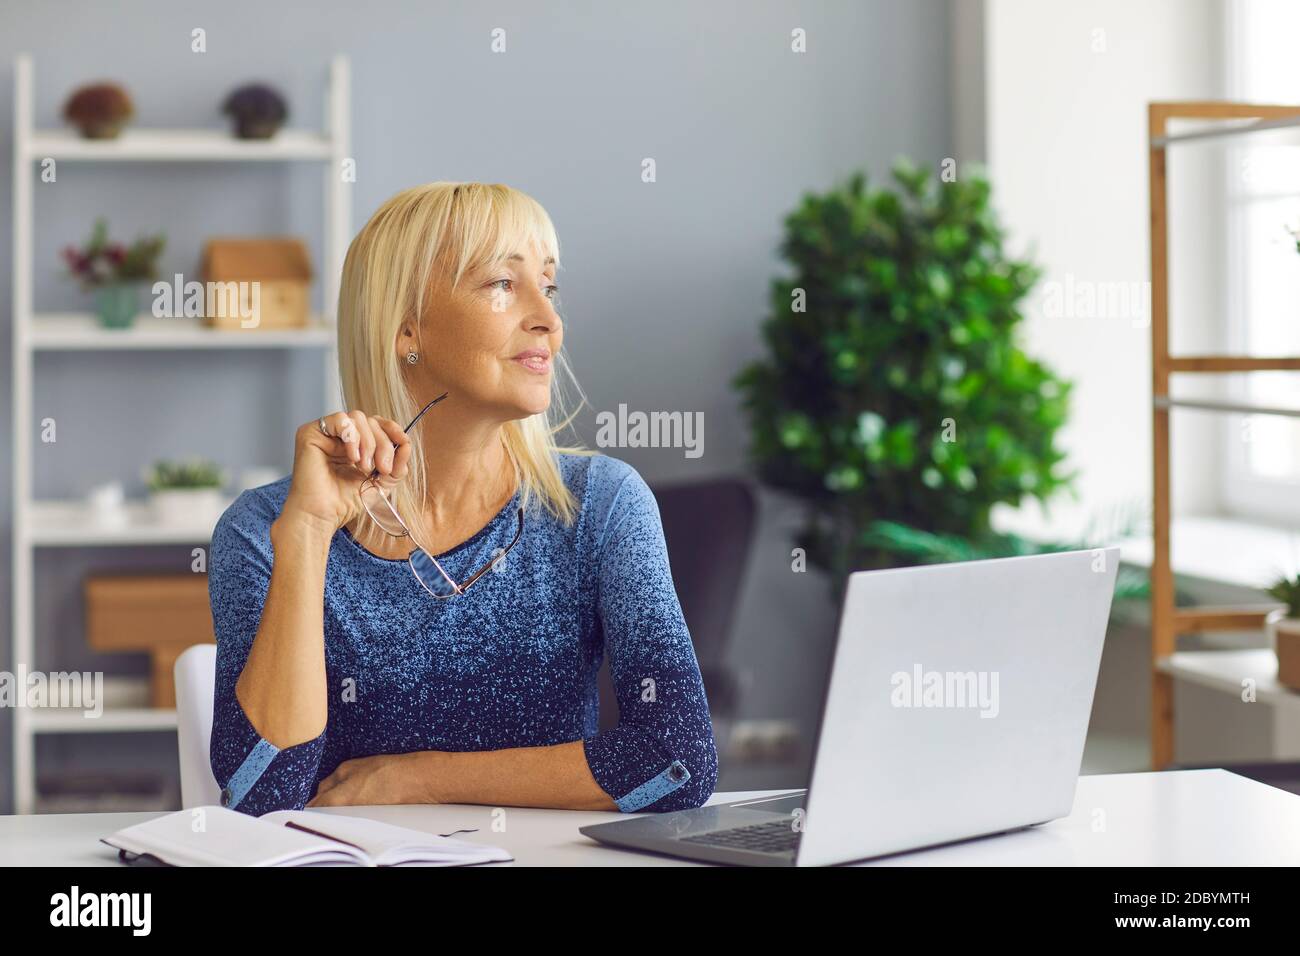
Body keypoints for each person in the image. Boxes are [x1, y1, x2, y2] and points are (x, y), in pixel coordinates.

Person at [207, 182, 718, 817]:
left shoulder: (602, 505)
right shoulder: (264, 529)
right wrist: (309, 534)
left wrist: (420, 778)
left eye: (549, 287)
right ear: (405, 330)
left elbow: (678, 762)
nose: (548, 320)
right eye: (503, 284)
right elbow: (260, 794)